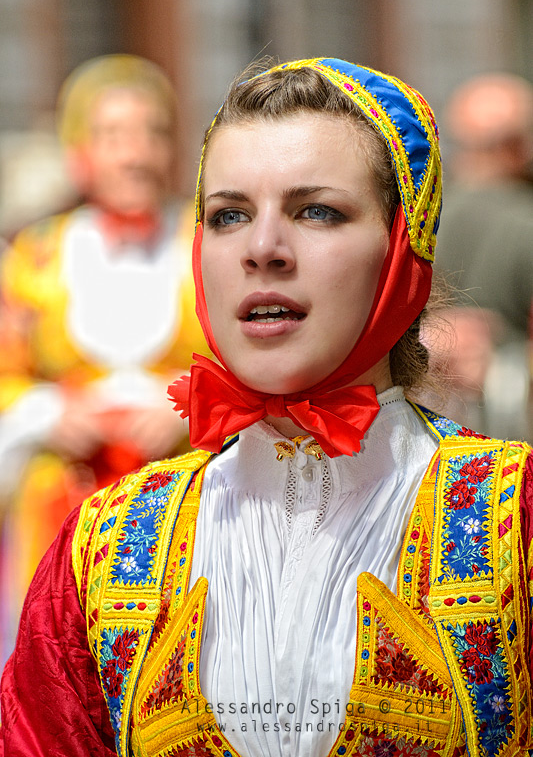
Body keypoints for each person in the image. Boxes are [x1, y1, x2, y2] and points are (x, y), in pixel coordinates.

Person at [2, 57, 533, 757]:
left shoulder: (514, 520)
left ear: (401, 249)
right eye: (228, 215)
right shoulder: (99, 549)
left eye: (317, 211)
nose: (262, 249)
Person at [0, 54, 208, 663]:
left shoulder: (209, 245)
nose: (135, 154)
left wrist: (186, 407)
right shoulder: (35, 256)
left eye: (153, 133)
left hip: (181, 496)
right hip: (63, 503)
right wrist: (47, 416)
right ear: (80, 151)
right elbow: (8, 375)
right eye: (114, 136)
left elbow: (254, 363)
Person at [435, 73, 533, 438]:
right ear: (517, 147)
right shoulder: (525, 221)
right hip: (515, 431)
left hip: (436, 442)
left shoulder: (417, 223)